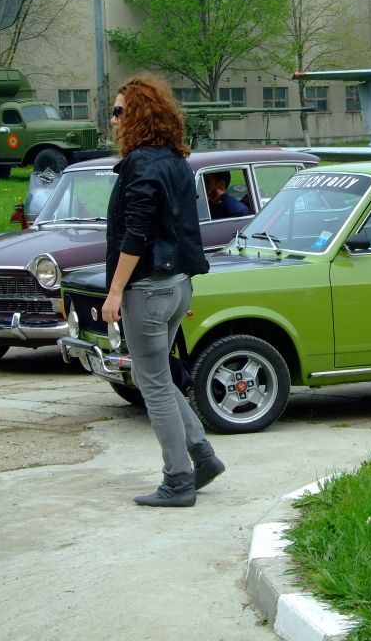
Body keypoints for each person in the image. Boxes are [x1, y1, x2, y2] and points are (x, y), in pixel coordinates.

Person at [100, 74, 224, 508]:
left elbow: (136, 234)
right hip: (177, 287)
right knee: (159, 376)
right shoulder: (174, 160)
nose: (112, 120)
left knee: (152, 383)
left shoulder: (142, 164)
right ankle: (202, 456)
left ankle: (178, 480)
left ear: (136, 115)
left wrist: (114, 292)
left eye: (118, 112)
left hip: (148, 290)